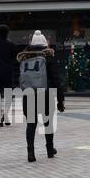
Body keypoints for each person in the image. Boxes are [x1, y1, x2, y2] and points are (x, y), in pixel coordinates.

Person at [15, 31, 66, 162]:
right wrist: (60, 101)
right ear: (45, 44)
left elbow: (19, 78)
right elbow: (56, 80)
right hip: (45, 94)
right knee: (47, 122)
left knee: (31, 124)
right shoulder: (48, 57)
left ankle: (30, 152)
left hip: (29, 94)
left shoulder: (24, 58)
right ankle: (50, 149)